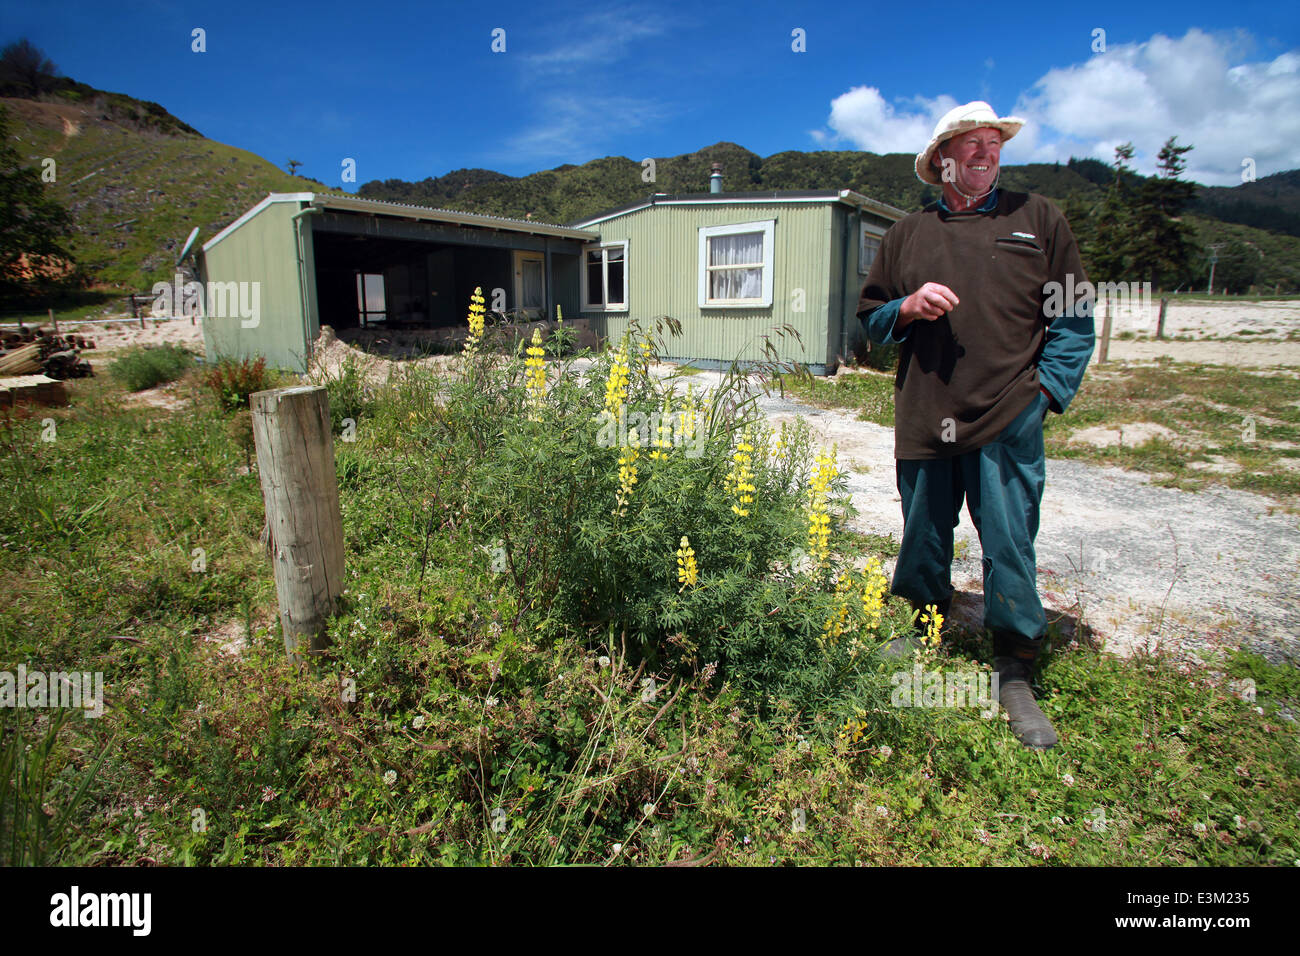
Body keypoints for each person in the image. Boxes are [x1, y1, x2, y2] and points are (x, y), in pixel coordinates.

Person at [857, 101, 1096, 749]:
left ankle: (1014, 670)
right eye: (972, 145)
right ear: (942, 159)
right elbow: (872, 321)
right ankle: (916, 631)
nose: (987, 154)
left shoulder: (1038, 219)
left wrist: (1045, 393)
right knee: (924, 537)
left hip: (1008, 416)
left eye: (995, 143)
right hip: (925, 412)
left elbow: (1074, 317)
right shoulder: (907, 234)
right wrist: (906, 306)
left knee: (1011, 542)